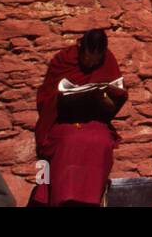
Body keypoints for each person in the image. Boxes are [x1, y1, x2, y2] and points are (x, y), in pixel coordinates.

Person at [28, 28, 126, 206]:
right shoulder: (63, 60)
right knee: (69, 141)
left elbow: (116, 100)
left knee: (101, 141)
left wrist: (105, 99)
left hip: (95, 120)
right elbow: (45, 98)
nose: (90, 63)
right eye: (87, 57)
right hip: (62, 120)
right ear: (80, 48)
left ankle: (91, 199)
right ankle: (63, 199)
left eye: (96, 60)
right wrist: (63, 98)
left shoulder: (108, 60)